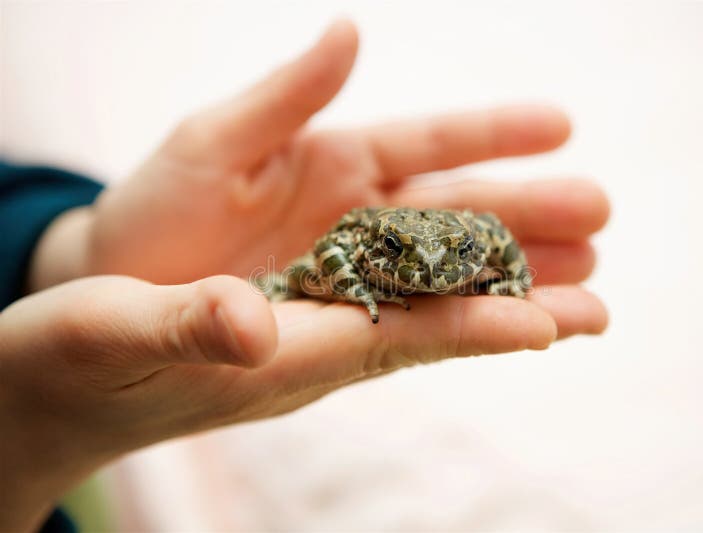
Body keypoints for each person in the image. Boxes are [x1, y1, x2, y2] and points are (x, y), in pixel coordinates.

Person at [0, 20, 610, 532]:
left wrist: (63, 252)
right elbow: (333, 251)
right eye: (407, 257)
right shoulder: (366, 242)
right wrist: (359, 288)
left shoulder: (469, 237)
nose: (429, 271)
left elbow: (495, 232)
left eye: (451, 258)